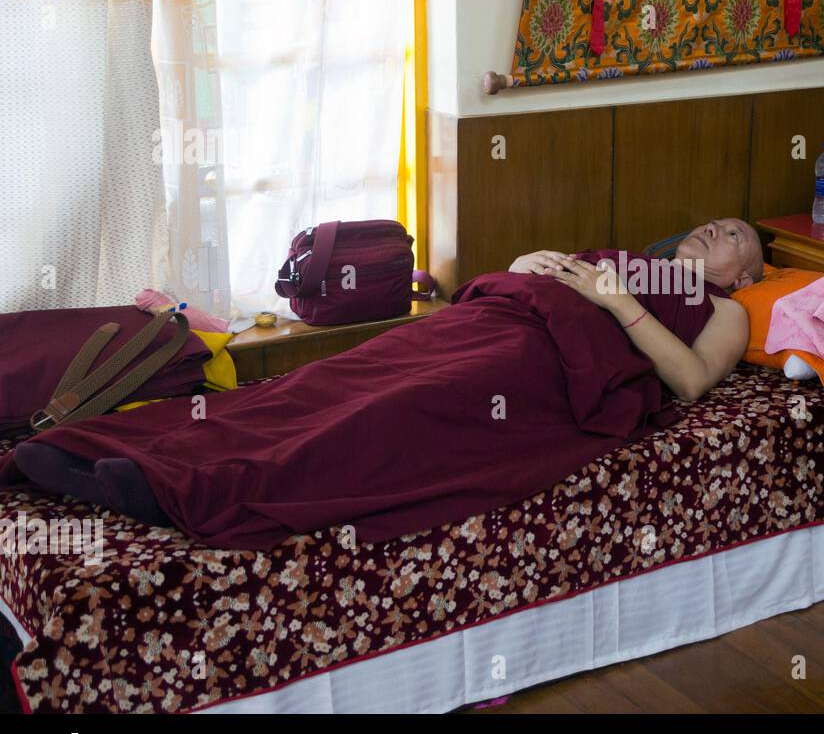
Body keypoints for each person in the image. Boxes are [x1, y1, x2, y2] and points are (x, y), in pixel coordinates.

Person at [3, 219, 761, 550]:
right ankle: (144, 444)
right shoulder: (634, 254)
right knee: (335, 378)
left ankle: (187, 484)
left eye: (736, 237)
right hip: (502, 319)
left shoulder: (724, 312)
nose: (716, 232)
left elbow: (690, 381)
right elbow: (565, 279)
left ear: (751, 275)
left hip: (548, 369)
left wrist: (611, 301)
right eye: (713, 223)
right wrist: (540, 265)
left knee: (394, 411)